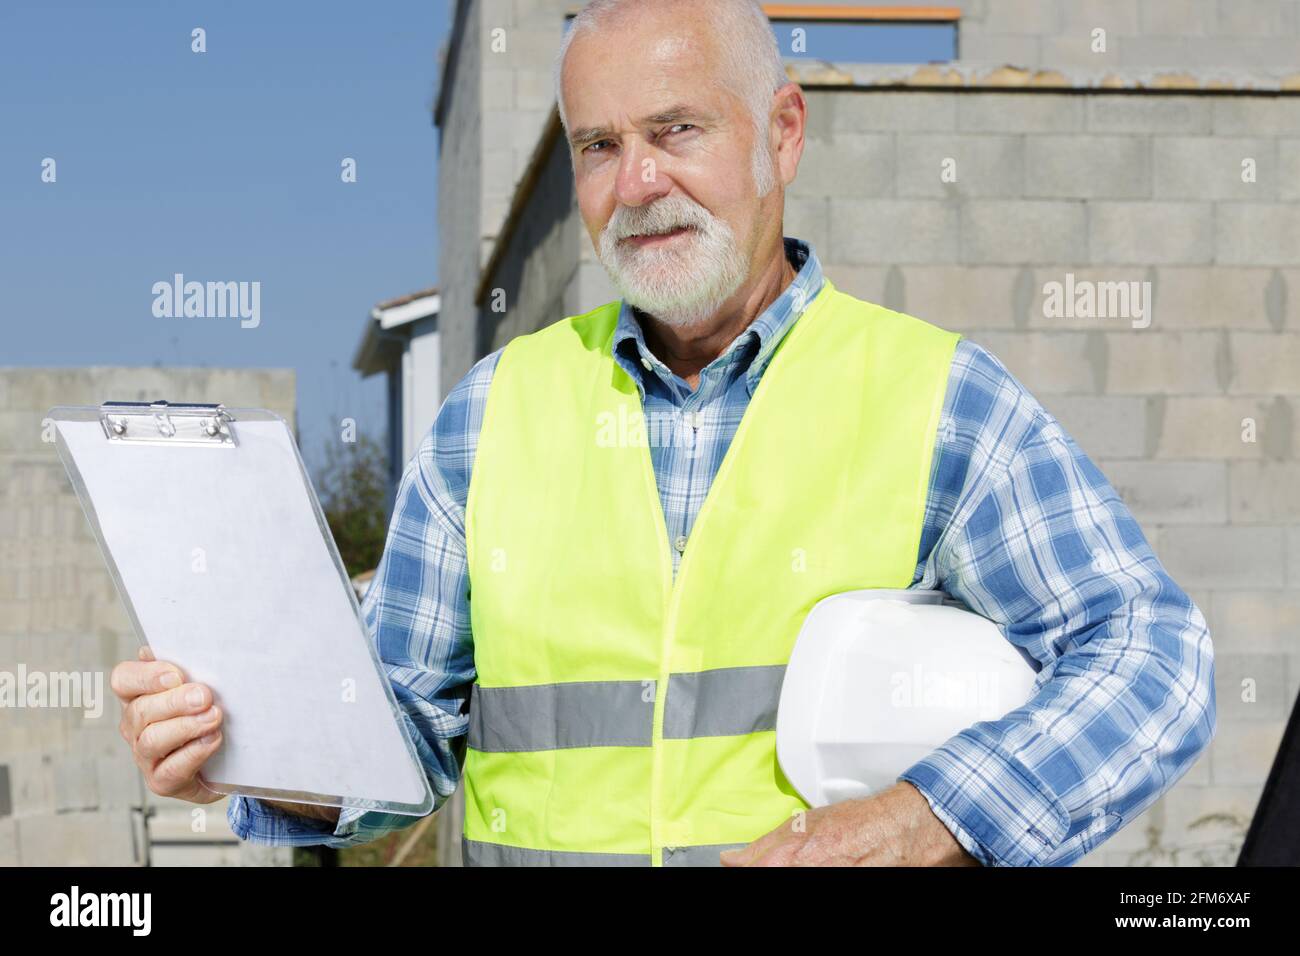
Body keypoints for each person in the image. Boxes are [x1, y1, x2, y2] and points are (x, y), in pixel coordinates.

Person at [109, 0, 1216, 867]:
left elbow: (1153, 656)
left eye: (675, 129)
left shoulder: (936, 398)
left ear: (781, 133)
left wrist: (931, 814)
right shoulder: (491, 417)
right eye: (597, 146)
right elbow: (395, 744)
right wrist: (247, 747)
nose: (637, 183)